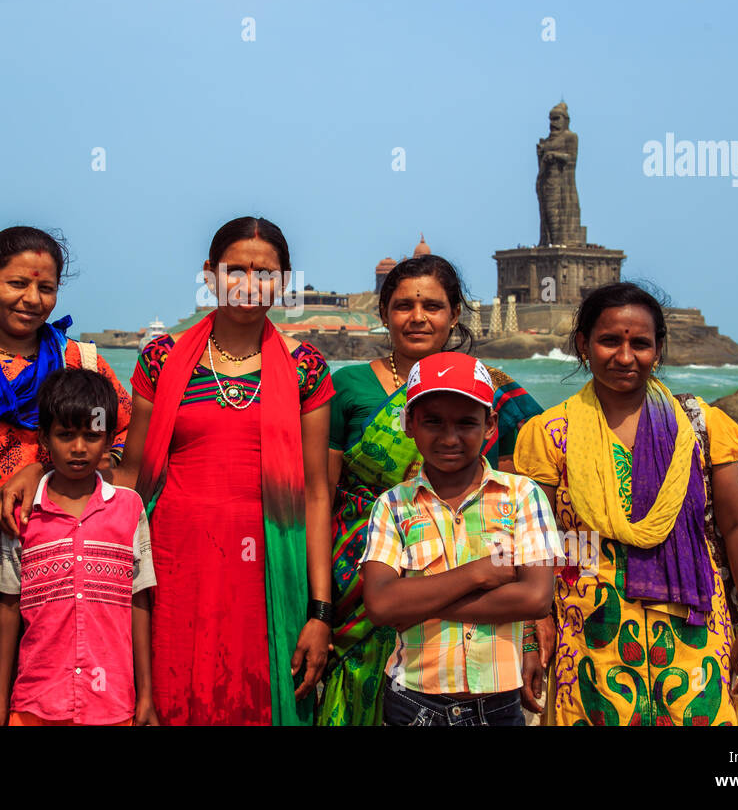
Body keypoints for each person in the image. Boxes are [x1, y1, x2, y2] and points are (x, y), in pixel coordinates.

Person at [513, 282, 738, 726]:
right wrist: (529, 631)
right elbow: (526, 541)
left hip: (697, 638)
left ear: (658, 349)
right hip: (589, 635)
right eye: (609, 340)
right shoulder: (548, 435)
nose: (624, 356)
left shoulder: (700, 426)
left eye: (641, 344)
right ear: (583, 344)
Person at [115, 216, 335, 725]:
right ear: (209, 275)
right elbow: (130, 478)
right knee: (171, 699)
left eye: (265, 272)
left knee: (258, 698)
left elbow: (316, 494)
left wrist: (320, 612)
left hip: (266, 577)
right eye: (235, 269)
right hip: (172, 570)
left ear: (284, 284)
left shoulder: (306, 369)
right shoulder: (162, 360)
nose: (249, 284)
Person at [319, 253, 545, 726]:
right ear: (384, 313)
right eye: (403, 306)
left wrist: (531, 631)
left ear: (455, 315)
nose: (417, 317)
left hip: (476, 605)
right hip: (358, 579)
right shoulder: (348, 386)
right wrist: (318, 609)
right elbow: (321, 497)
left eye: (433, 306)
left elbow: (518, 492)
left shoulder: (494, 392)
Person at [0, 225, 133, 723]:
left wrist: (41, 469)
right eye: (17, 284)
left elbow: (126, 459)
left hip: (53, 579)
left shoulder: (80, 363)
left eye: (45, 288)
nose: (32, 299)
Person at [361, 352, 562, 725]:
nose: (449, 437)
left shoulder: (522, 495)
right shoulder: (392, 505)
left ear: (490, 425)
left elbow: (535, 597)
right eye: (433, 422)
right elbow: (380, 605)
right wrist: (479, 574)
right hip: (413, 703)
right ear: (409, 423)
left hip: (498, 704)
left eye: (466, 423)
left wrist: (417, 599)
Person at [0, 368, 157, 726]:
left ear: (110, 440)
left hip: (113, 705)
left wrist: (147, 696)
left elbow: (139, 602)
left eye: (91, 436)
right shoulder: (23, 515)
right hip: (35, 704)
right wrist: (0, 703)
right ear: (44, 439)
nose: (78, 448)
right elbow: (9, 605)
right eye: (65, 435)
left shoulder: (129, 508)